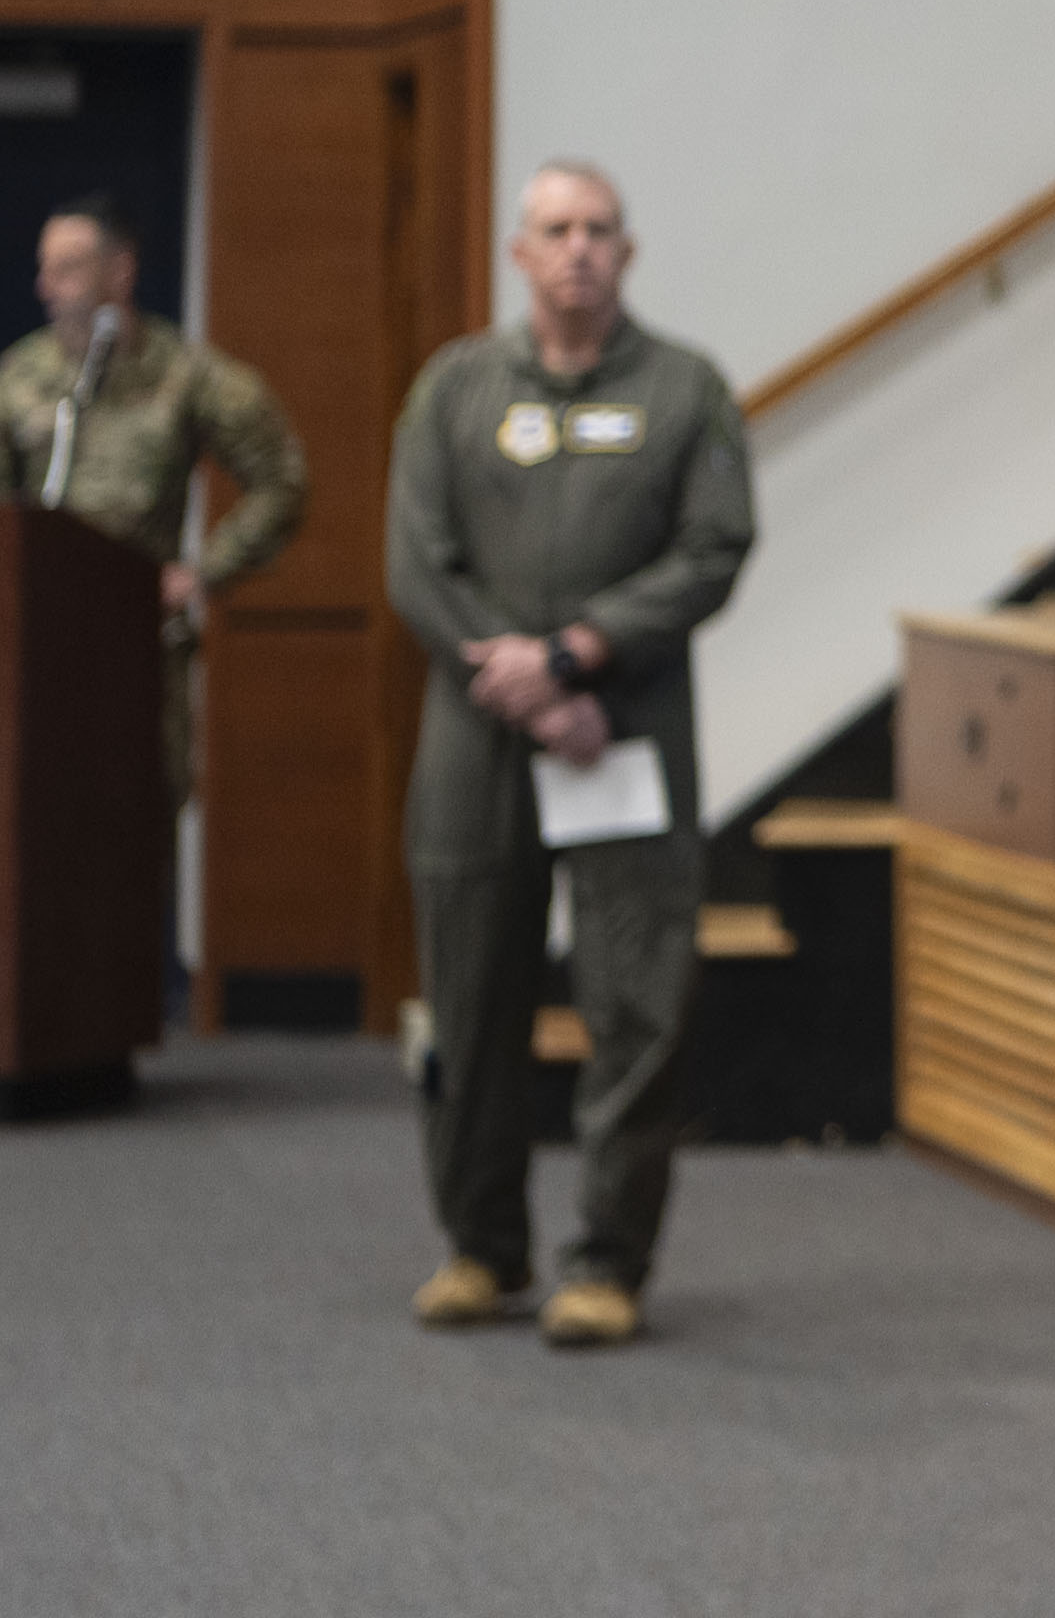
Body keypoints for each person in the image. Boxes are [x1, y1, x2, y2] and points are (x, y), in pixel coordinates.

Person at [387, 161, 753, 1349]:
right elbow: (416, 562)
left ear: (627, 254)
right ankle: (482, 1251)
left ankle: (605, 1263)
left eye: (599, 230)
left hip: (623, 735)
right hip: (479, 736)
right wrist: (527, 683)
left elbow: (712, 549)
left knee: (635, 1003)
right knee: (472, 1001)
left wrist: (582, 655)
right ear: (519, 253)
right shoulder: (455, 388)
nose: (579, 250)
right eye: (556, 230)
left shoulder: (684, 390)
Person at [0, 194, 309, 801]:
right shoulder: (18, 378)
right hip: (35, 651)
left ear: (120, 271)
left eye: (67, 269)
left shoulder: (184, 374)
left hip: (138, 649)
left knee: (131, 825)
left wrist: (202, 573)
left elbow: (282, 480)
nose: (46, 286)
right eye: (44, 269)